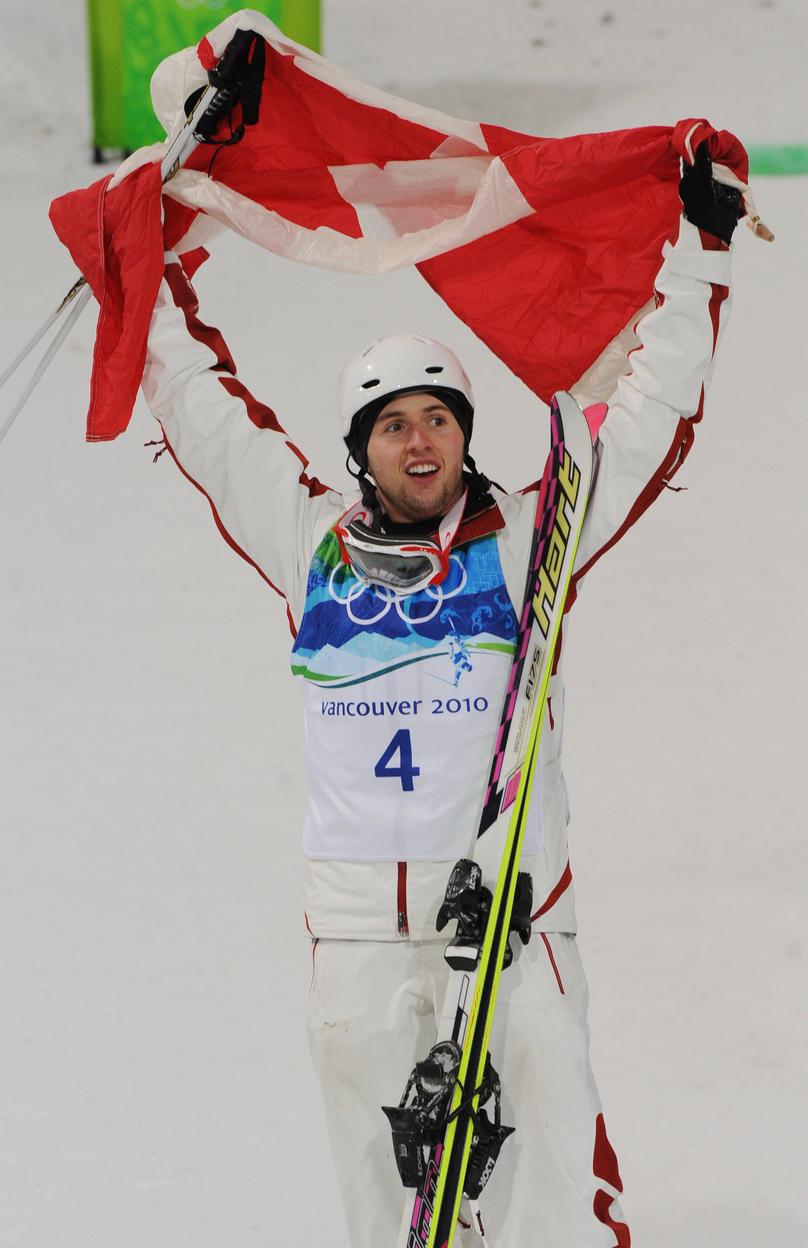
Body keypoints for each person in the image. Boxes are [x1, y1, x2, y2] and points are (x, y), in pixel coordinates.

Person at [140, 148, 740, 1246]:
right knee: (390, 1218)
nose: (420, 440)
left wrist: (698, 260)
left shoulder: (529, 545)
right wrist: (136, 254)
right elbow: (199, 406)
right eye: (391, 424)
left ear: (466, 431)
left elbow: (649, 415)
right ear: (360, 451)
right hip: (360, 933)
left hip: (507, 919)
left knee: (546, 1200)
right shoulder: (310, 542)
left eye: (439, 417)